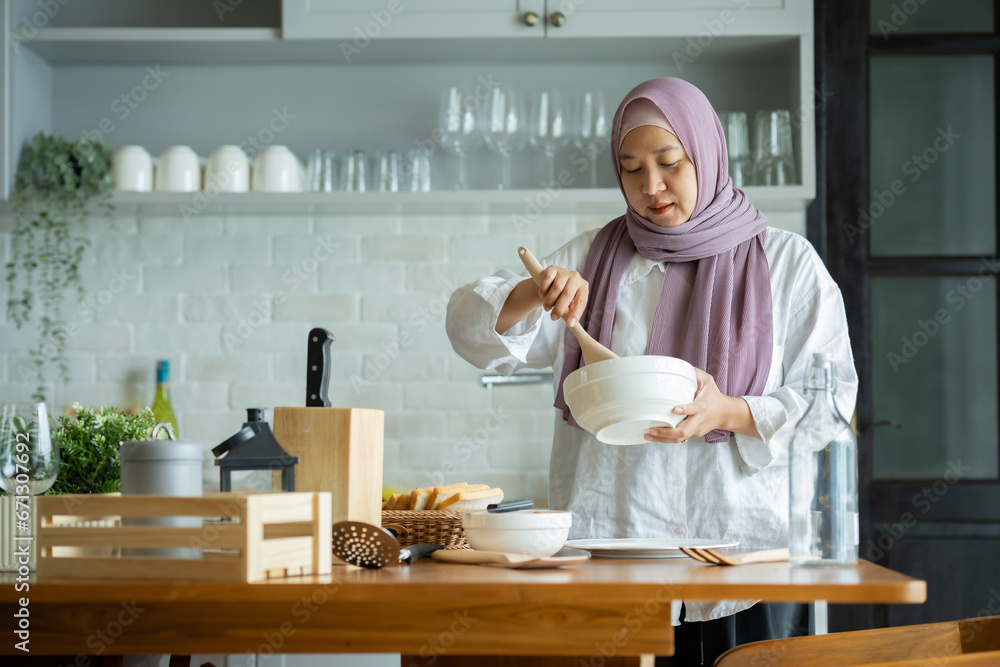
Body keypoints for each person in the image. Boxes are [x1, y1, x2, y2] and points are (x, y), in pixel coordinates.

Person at [446, 77, 858, 665]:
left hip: (744, 562)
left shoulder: (787, 263)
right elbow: (469, 332)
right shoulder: (590, 259)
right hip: (612, 556)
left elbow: (833, 402)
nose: (651, 186)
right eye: (631, 168)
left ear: (708, 156)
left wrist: (732, 412)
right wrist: (529, 295)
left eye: (670, 163)